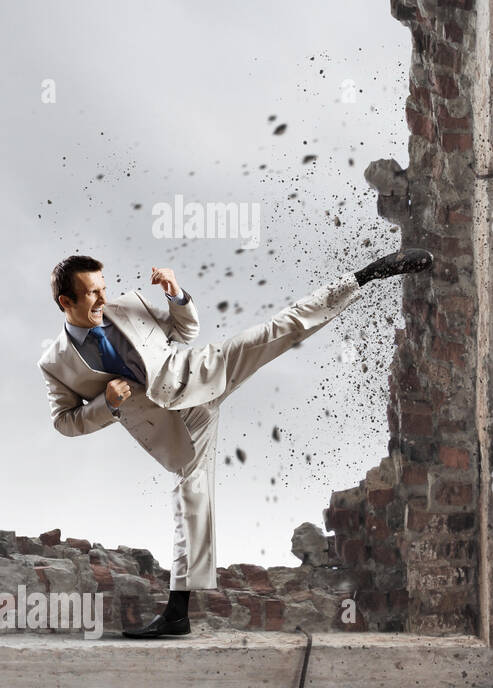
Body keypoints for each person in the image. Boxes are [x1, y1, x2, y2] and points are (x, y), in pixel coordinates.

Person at [36, 249, 434, 638]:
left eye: (104, 288)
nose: (103, 298)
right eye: (92, 293)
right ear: (65, 301)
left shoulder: (129, 304)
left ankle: (365, 275)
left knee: (275, 330)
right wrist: (108, 404)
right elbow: (65, 423)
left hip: (202, 374)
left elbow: (186, 330)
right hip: (174, 425)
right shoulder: (55, 363)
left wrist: (176, 295)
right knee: (190, 499)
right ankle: (178, 615)